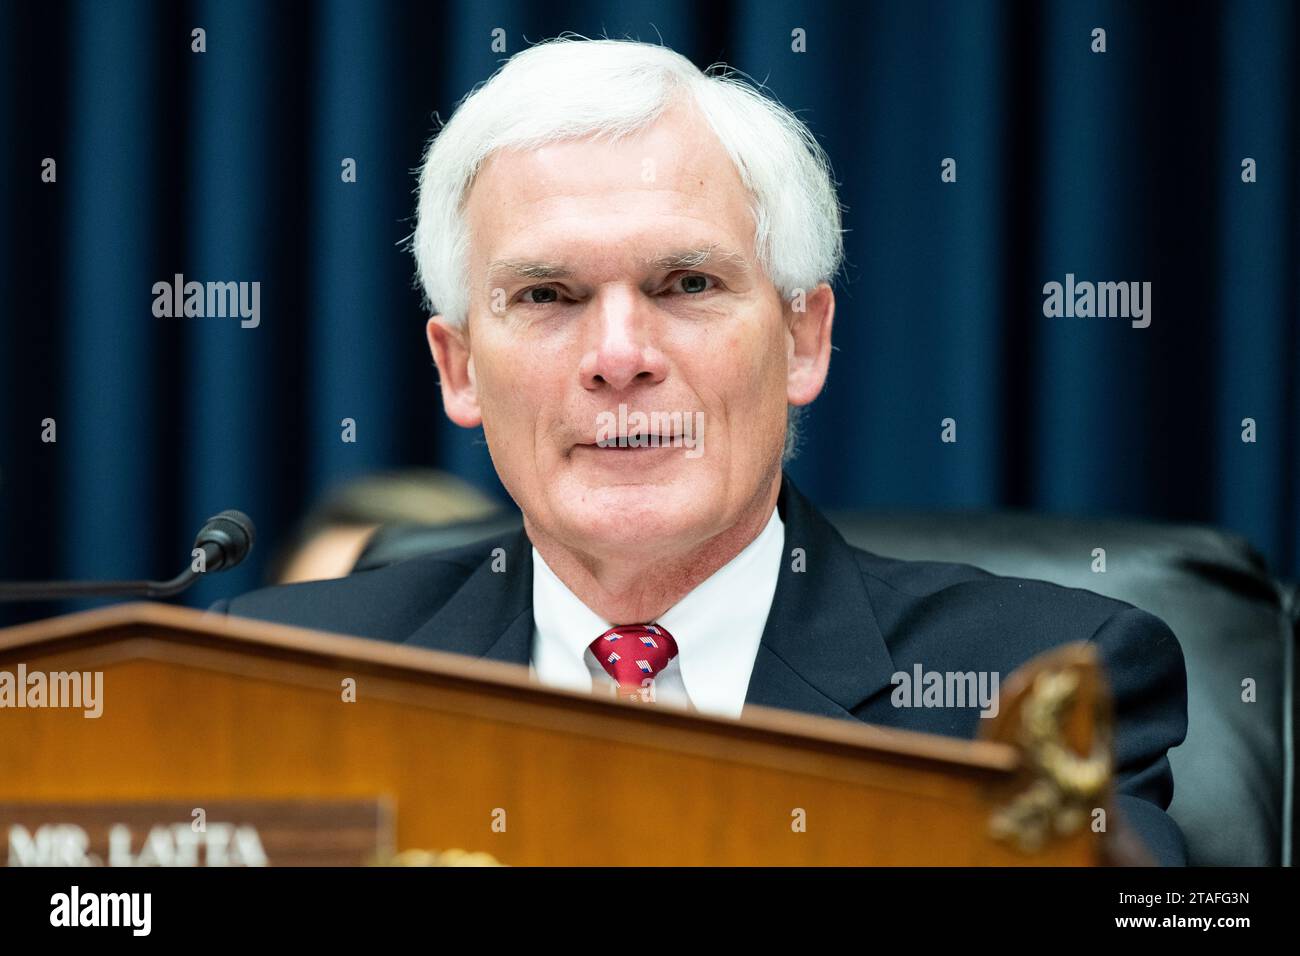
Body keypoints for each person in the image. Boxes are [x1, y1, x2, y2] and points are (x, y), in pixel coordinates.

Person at [212, 37, 1188, 865]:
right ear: (458, 367)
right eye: (546, 297)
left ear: (804, 338)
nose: (619, 357)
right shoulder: (270, 680)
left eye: (685, 282)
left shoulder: (1035, 679)